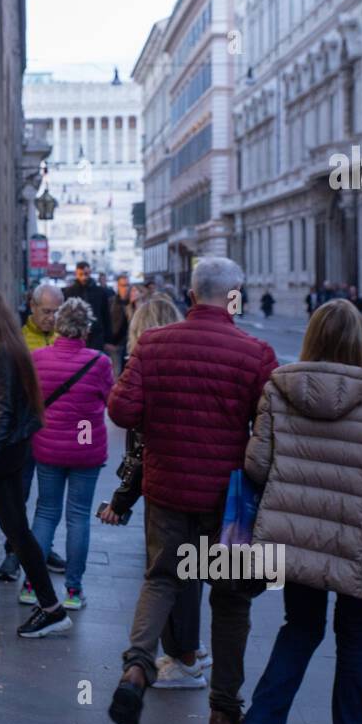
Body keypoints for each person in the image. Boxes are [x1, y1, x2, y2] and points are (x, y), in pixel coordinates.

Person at [105, 257, 278, 724]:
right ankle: (223, 712)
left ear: (191, 294)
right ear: (235, 296)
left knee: (161, 579)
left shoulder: (154, 345)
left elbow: (121, 410)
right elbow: (272, 428)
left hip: (166, 489)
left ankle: (137, 668)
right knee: (229, 602)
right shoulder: (256, 353)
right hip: (227, 502)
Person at [238, 299, 362, 724]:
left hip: (295, 532)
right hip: (358, 538)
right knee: (356, 636)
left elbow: (257, 465)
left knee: (300, 627)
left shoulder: (278, 388)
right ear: (361, 341)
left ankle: (262, 723)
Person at [99, 295, 213, 688]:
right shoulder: (197, 359)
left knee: (164, 574)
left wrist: (121, 499)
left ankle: (167, 660)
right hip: (209, 482)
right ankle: (188, 653)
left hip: (167, 483)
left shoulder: (145, 365)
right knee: (190, 570)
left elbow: (137, 442)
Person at [0, 277, 71, 638]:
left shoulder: (1, 351)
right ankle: (52, 607)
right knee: (17, 530)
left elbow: (4, 413)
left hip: (0, 452)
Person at [20, 298, 114, 611]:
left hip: (47, 446)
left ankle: (32, 586)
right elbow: (111, 399)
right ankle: (73, 591)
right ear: (86, 329)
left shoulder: (37, 359)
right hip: (86, 449)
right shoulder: (99, 363)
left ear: (59, 326)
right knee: (78, 517)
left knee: (45, 512)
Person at [0, 280, 66, 582]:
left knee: (49, 501)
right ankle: (13, 553)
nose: (52, 317)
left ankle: (41, 546)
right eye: (47, 311)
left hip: (55, 433)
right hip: (25, 434)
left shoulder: (66, 339)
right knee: (18, 496)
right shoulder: (19, 339)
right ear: (32, 307)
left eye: (57, 311)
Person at [64, 261, 114, 352]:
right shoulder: (68, 292)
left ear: (89, 272)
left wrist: (108, 339)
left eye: (86, 273)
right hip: (76, 335)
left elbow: (106, 316)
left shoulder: (100, 292)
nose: (84, 277)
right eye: (81, 274)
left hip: (96, 335)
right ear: (76, 273)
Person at [109, 274, 133, 371]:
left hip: (130, 343)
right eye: (123, 285)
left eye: (127, 285)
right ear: (118, 286)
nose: (125, 288)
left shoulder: (133, 301)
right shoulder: (111, 302)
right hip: (115, 344)